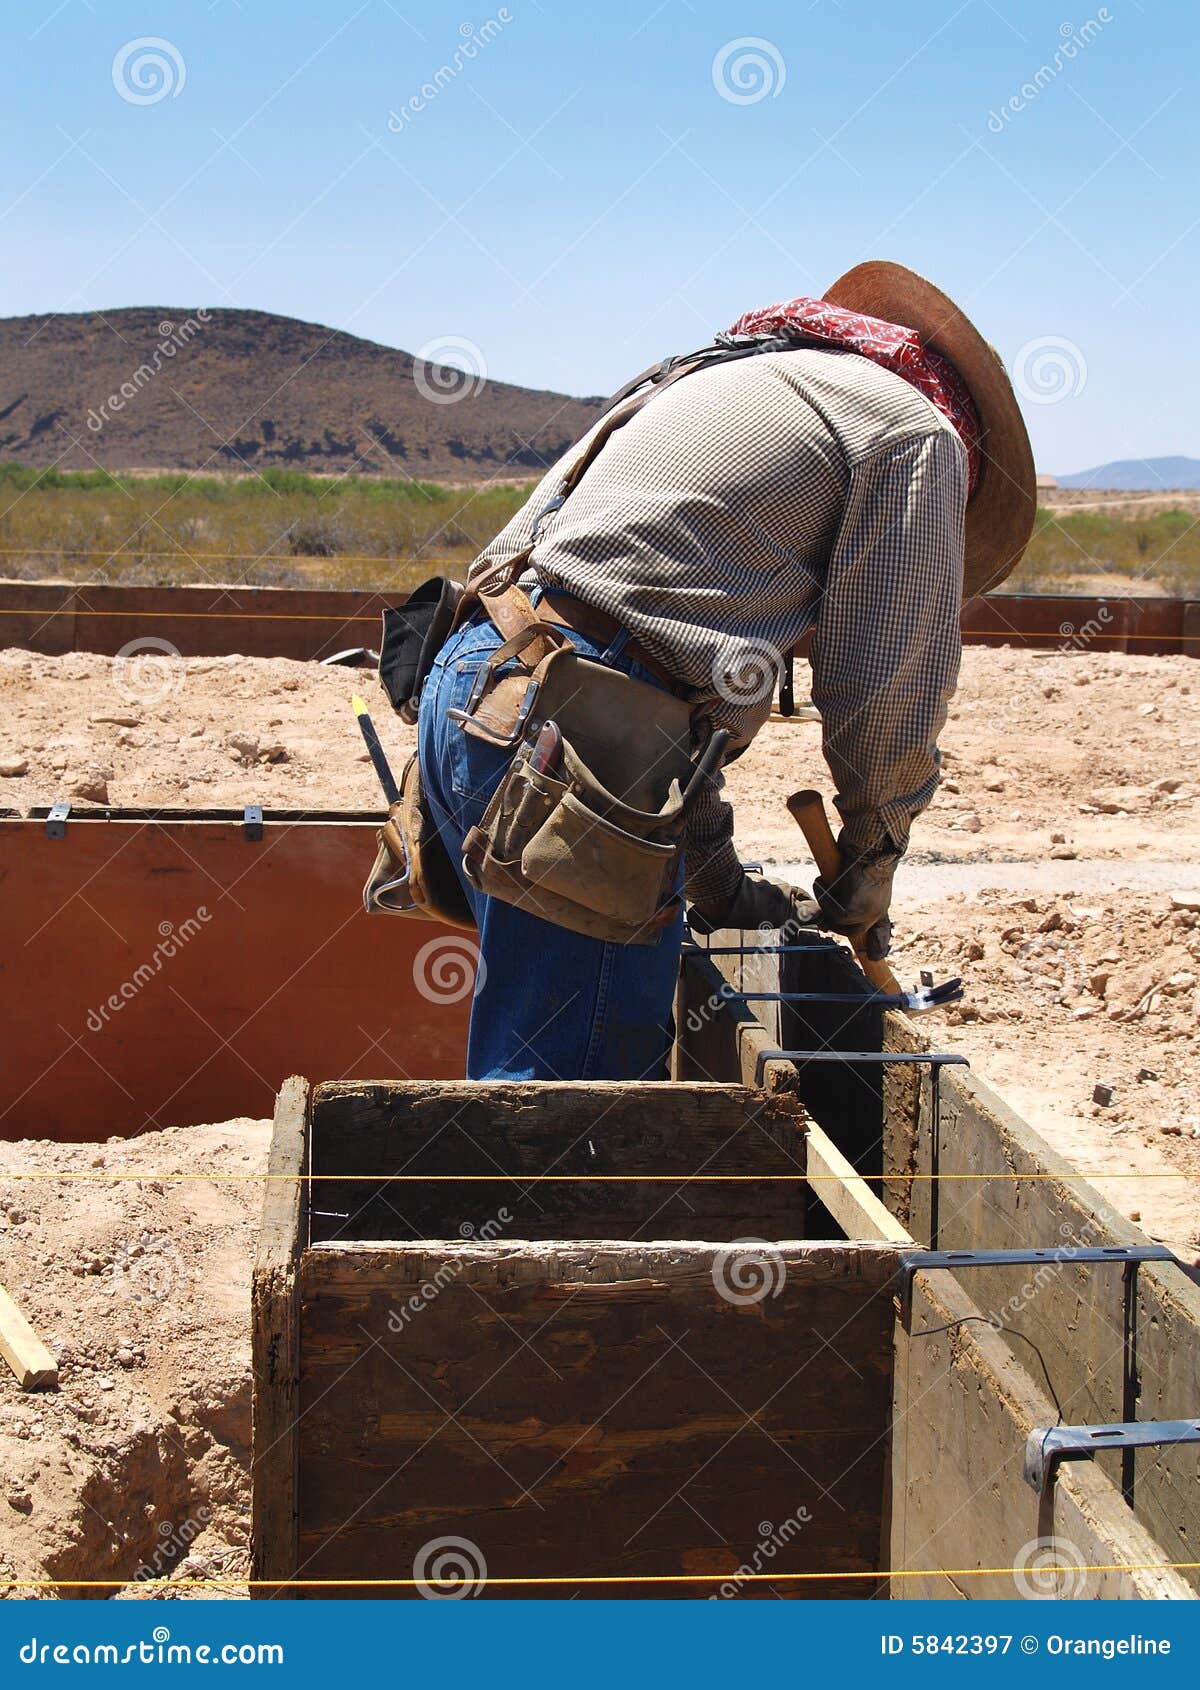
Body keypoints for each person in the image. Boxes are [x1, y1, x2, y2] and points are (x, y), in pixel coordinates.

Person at [417, 262, 1035, 1081]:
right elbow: (888, 690)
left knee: (544, 1068)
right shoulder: (914, 435)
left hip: (477, 683)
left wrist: (713, 878)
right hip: (575, 738)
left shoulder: (720, 377)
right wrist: (869, 868)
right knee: (577, 1110)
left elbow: (653, 684)